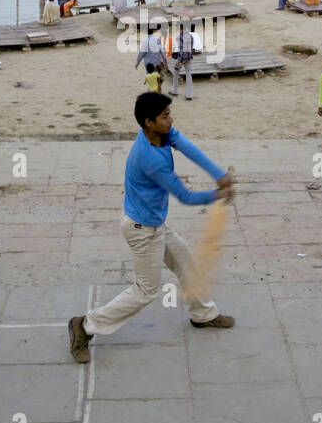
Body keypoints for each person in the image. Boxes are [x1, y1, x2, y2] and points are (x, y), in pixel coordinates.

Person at [68, 93, 234, 363]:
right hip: (142, 230)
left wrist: (219, 175)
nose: (171, 120)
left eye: (169, 113)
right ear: (149, 122)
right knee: (146, 290)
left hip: (154, 223)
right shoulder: (150, 158)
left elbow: (188, 147)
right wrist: (217, 196)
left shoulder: (159, 134)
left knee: (186, 263)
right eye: (165, 116)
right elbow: (185, 196)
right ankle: (84, 326)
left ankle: (203, 315)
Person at [168, 21, 195, 100]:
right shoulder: (191, 36)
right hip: (189, 58)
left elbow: (181, 50)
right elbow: (191, 49)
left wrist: (180, 61)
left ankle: (174, 90)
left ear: (182, 28)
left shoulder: (181, 36)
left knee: (176, 72)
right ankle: (189, 94)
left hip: (182, 58)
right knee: (189, 74)